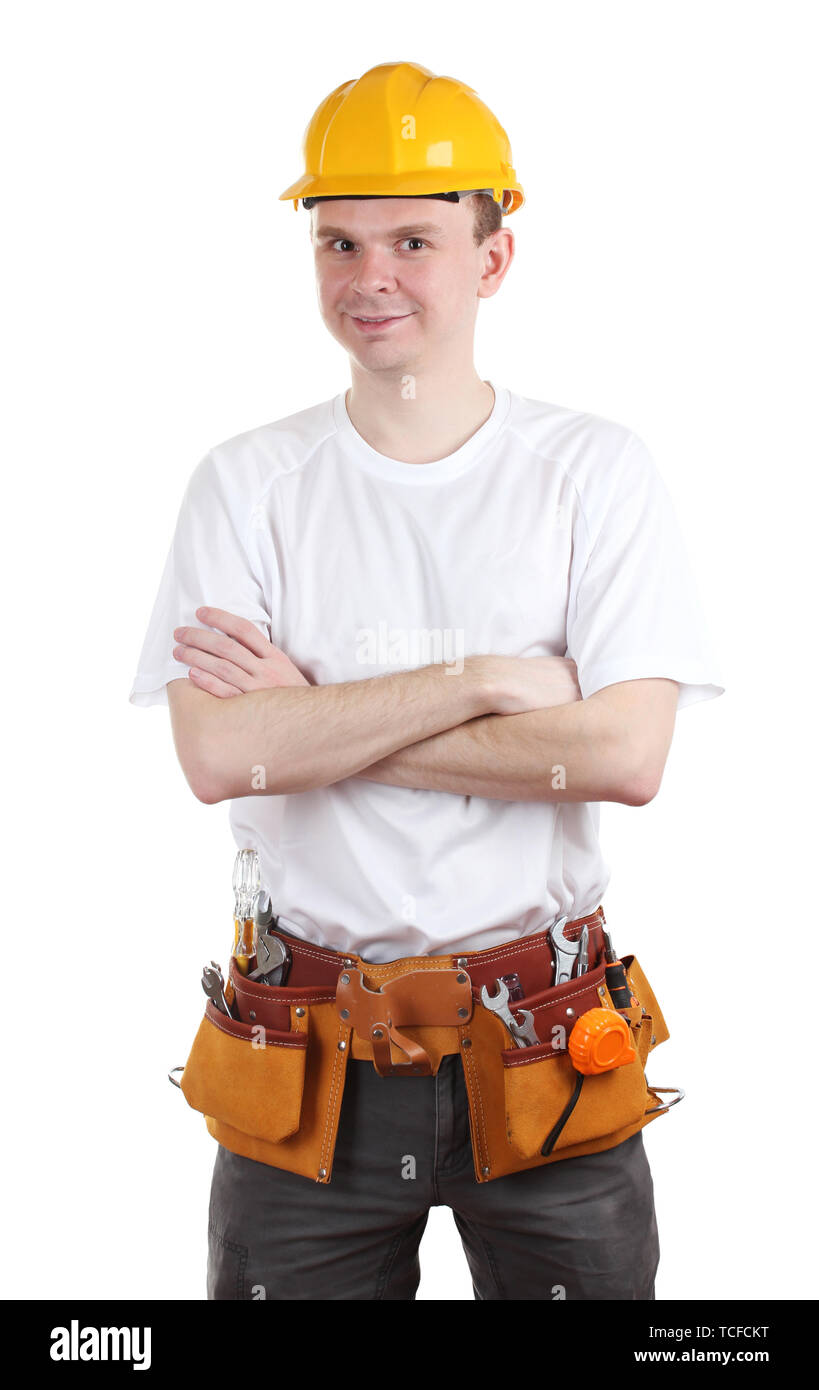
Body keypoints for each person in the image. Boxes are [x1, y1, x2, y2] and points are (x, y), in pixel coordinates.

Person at [129, 61, 725, 1301]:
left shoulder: (595, 473)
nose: (370, 277)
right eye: (338, 242)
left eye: (413, 238)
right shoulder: (246, 484)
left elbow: (622, 757)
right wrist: (493, 680)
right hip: (308, 1058)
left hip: (549, 1045)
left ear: (494, 258)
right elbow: (215, 758)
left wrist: (313, 718)